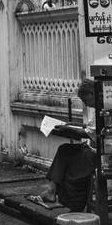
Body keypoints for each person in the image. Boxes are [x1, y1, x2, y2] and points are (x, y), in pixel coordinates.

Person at [41, 78, 98, 211]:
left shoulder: (105, 106)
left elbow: (90, 132)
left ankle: (54, 192)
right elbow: (89, 127)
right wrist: (70, 125)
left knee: (69, 162)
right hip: (90, 148)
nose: (86, 104)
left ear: (92, 94)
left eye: (86, 100)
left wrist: (69, 129)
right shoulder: (97, 108)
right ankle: (52, 189)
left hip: (97, 154)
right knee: (64, 149)